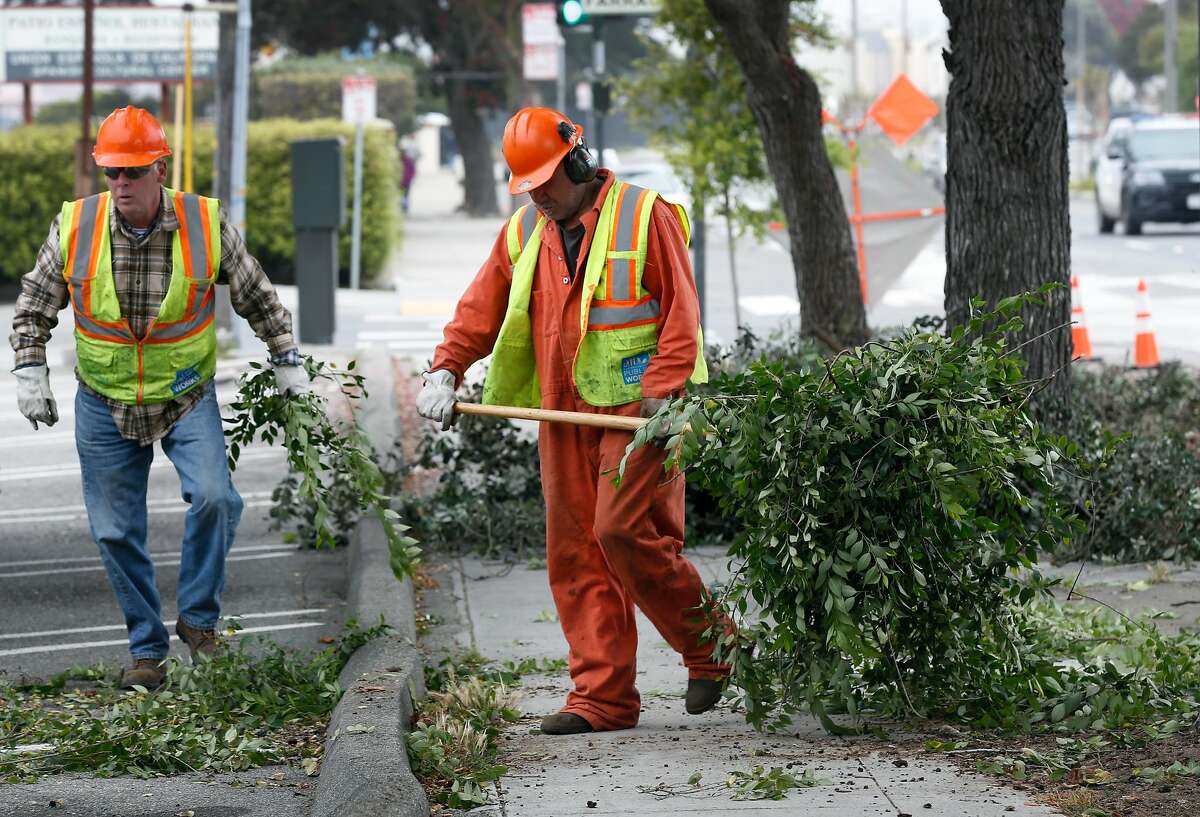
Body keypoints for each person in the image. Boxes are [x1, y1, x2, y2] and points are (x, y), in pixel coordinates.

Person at [415, 106, 725, 734]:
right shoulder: (524, 230)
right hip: (561, 412)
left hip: (640, 413)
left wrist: (664, 395)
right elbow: (481, 306)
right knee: (576, 553)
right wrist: (445, 369)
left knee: (621, 532)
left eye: (546, 183)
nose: (539, 197)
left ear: (578, 162)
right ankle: (602, 700)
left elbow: (681, 314)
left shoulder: (646, 214)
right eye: (526, 187)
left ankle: (712, 646)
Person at [9, 106, 310, 690]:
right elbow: (34, 304)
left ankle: (198, 620)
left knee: (217, 500)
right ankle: (146, 652)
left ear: (160, 168)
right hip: (104, 398)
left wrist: (287, 360)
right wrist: (29, 369)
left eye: (132, 171)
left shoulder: (203, 223)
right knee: (116, 531)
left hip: (184, 395)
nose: (119, 184)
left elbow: (259, 296)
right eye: (111, 172)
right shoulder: (77, 225)